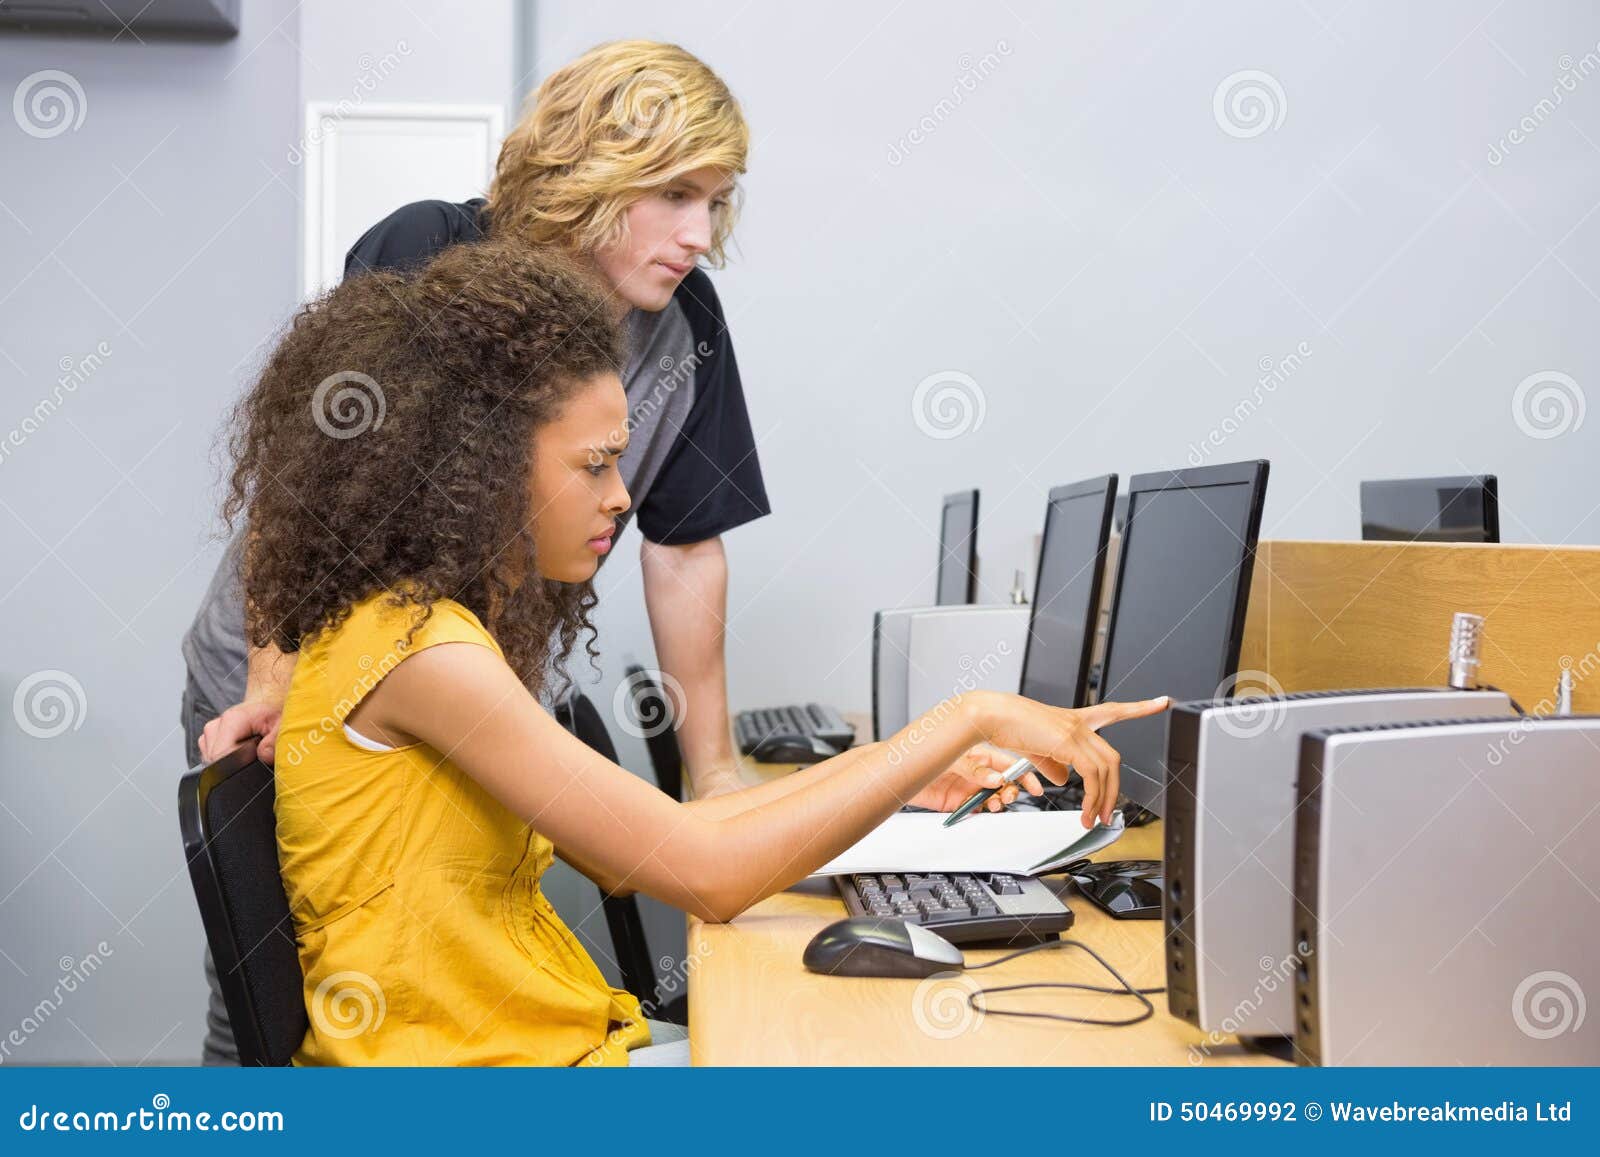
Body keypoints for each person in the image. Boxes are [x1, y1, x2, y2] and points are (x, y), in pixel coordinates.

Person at [225, 238, 1168, 1066]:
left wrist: (906, 771)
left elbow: (692, 835)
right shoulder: (423, 655)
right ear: (475, 466)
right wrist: (966, 714)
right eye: (592, 464)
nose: (621, 496)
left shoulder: (418, 630)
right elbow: (707, 875)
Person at [184, 39, 763, 1065]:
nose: (698, 233)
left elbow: (682, 549)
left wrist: (713, 770)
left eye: (716, 201)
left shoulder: (685, 326)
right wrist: (278, 682)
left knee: (451, 948)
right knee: (288, 989)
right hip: (292, 651)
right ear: (593, 168)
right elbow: (306, 489)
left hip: (450, 666)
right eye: (675, 193)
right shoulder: (435, 256)